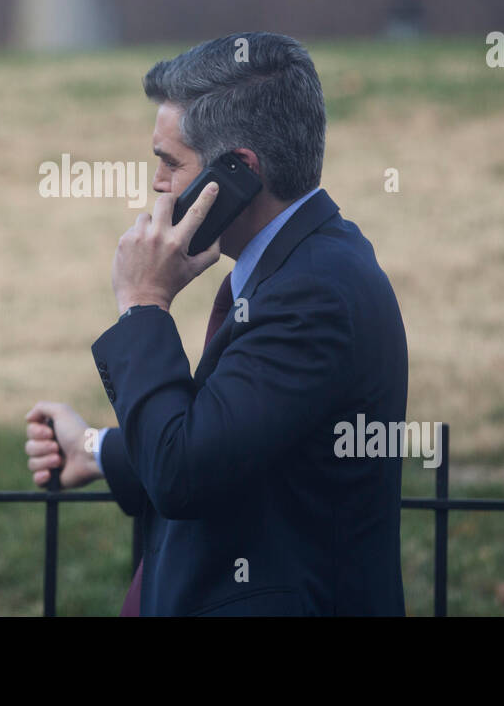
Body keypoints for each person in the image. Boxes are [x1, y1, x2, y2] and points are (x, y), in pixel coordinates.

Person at [25, 32, 407, 616]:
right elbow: (236, 431)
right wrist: (95, 449)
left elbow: (185, 472)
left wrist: (144, 304)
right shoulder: (303, 264)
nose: (155, 185)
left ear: (239, 173)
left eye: (169, 163)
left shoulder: (314, 293)